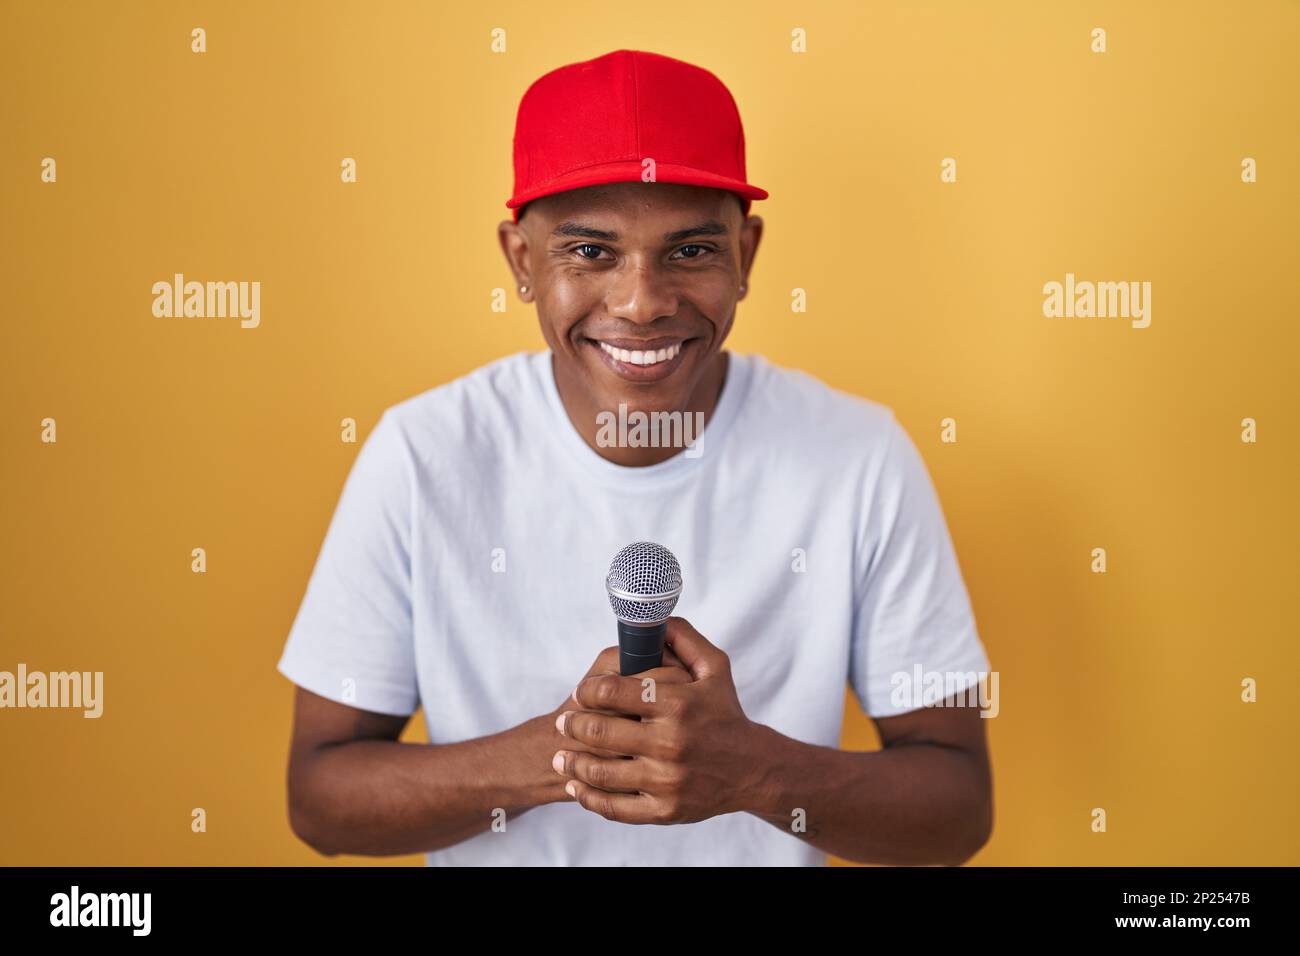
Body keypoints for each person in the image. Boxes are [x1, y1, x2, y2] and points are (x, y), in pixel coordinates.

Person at [277, 48, 993, 866]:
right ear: (521, 260)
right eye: (589, 252)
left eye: (691, 251)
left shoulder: (859, 458)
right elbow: (320, 799)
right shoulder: (423, 456)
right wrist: (569, 750)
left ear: (747, 256)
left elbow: (959, 806)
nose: (642, 303)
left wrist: (754, 771)